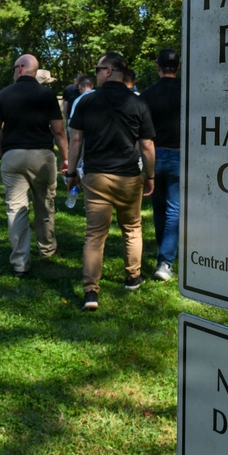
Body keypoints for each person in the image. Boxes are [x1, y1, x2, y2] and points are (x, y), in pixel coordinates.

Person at [66, 52, 156, 311]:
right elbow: (147, 145)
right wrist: (150, 176)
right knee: (132, 228)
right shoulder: (139, 103)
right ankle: (133, 277)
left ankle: (91, 292)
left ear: (109, 71)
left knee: (95, 235)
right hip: (128, 176)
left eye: (97, 69)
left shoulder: (86, 101)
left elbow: (75, 140)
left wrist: (71, 173)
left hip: (96, 176)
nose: (95, 73)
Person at [0, 54, 69, 277]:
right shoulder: (47, 94)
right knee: (45, 204)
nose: (14, 71)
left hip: (13, 155)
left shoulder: (4, 94)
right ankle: (48, 249)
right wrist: (66, 157)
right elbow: (59, 130)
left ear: (21, 68)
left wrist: (3, 153)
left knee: (16, 209)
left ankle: (20, 263)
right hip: (42, 156)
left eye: (15, 67)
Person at [140, 48, 181, 281]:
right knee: (174, 208)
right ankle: (165, 261)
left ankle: (163, 253)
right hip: (179, 155)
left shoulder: (147, 95)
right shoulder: (188, 92)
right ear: (177, 67)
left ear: (158, 67)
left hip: (153, 154)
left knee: (159, 208)